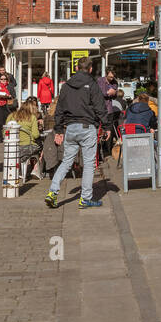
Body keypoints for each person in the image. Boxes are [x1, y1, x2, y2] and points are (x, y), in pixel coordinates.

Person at [46, 57, 106, 209]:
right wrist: (107, 126)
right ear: (90, 69)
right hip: (87, 127)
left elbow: (59, 109)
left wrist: (58, 129)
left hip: (70, 127)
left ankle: (53, 192)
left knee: (66, 162)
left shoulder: (66, 86)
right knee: (89, 164)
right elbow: (100, 107)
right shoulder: (92, 84)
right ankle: (85, 198)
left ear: (77, 68)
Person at [10, 99, 43, 178]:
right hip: (28, 147)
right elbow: (35, 135)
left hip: (15, 147)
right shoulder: (32, 118)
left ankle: (23, 170)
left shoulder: (14, 117)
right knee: (43, 148)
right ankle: (36, 170)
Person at [0, 72, 16, 140]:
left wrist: (9, 96)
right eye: (2, 79)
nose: (3, 80)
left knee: (7, 122)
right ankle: (0, 137)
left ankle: (7, 136)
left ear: (7, 80)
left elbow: (14, 96)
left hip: (7, 106)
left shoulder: (10, 86)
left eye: (5, 79)